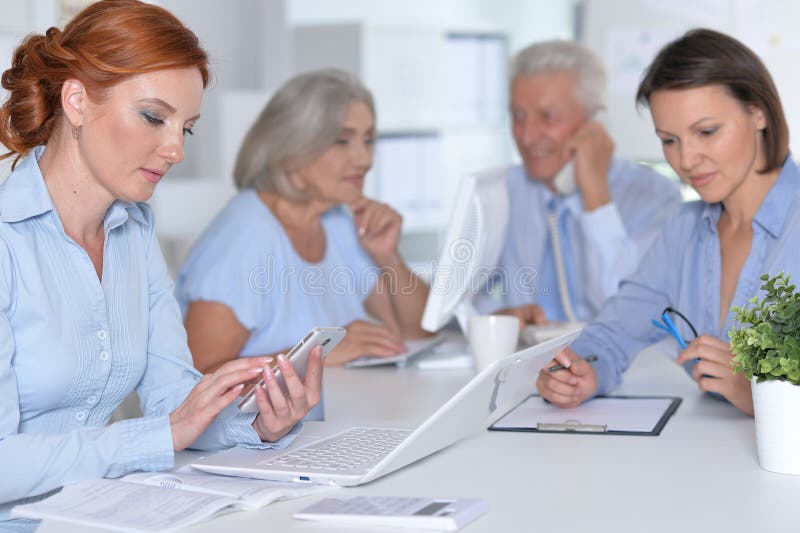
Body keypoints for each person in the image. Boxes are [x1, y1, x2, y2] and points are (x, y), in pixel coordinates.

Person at [0, 1, 321, 529]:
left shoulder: (133, 232)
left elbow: (174, 402)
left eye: (186, 128)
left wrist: (256, 423)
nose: (175, 150)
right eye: (154, 117)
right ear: (77, 100)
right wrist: (160, 435)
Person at [536, 28, 799, 416]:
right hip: (703, 456)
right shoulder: (686, 228)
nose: (687, 159)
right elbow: (616, 331)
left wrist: (761, 392)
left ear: (758, 112)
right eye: (669, 140)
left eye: (706, 132)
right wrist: (580, 372)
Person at [175, 69, 430, 372]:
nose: (364, 160)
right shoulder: (243, 240)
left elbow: (419, 330)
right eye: (342, 141)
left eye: (368, 140)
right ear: (292, 149)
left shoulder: (335, 221)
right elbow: (197, 377)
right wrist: (310, 355)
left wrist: (388, 255)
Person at [476, 40, 683, 325]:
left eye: (547, 117)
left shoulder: (656, 198)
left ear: (595, 122)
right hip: (525, 365)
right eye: (518, 116)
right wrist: (494, 319)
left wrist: (595, 193)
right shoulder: (502, 191)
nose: (526, 137)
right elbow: (454, 304)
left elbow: (631, 314)